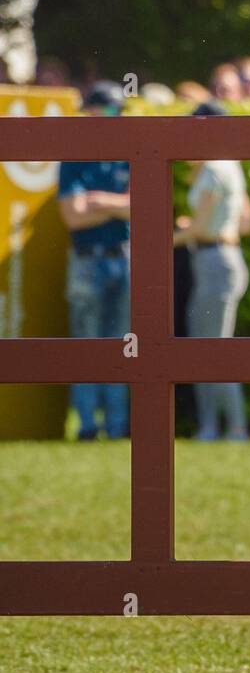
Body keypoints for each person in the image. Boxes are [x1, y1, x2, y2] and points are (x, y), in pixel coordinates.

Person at [174, 100, 250, 440]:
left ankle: (235, 429)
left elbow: (199, 228)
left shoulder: (214, 168)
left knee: (216, 350)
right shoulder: (230, 165)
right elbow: (246, 222)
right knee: (207, 347)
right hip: (218, 259)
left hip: (214, 261)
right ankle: (212, 428)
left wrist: (162, 240)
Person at [57, 81, 130, 440]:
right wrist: (118, 206)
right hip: (86, 260)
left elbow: (143, 206)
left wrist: (96, 201)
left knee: (123, 346)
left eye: (120, 111)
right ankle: (87, 426)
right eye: (110, 110)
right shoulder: (74, 155)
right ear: (91, 111)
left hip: (123, 258)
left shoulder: (130, 153)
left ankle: (117, 427)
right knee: (85, 346)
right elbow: (72, 217)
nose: (116, 118)